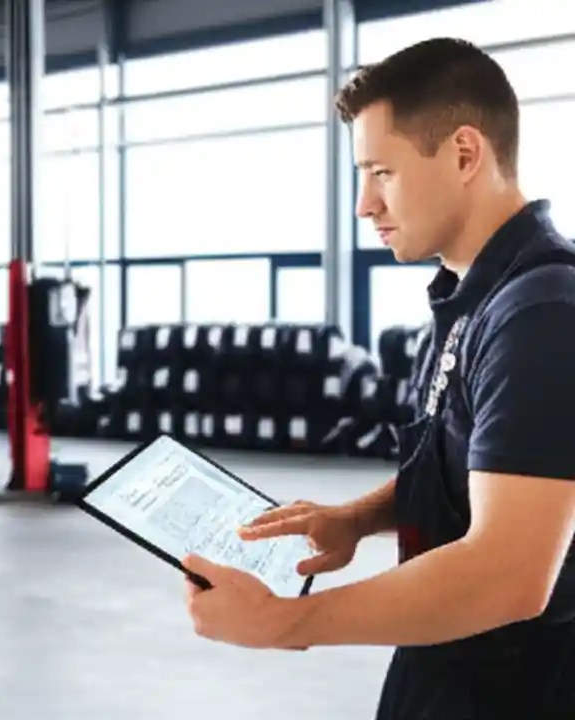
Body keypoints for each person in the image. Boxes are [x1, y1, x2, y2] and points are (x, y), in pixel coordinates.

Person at [179, 37, 575, 719]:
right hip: (449, 666)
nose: (364, 204)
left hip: (518, 688)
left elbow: (510, 575)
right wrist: (357, 518)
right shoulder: (469, 295)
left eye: (380, 171)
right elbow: (470, 462)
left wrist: (284, 622)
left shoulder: (541, 313)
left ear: (463, 154)